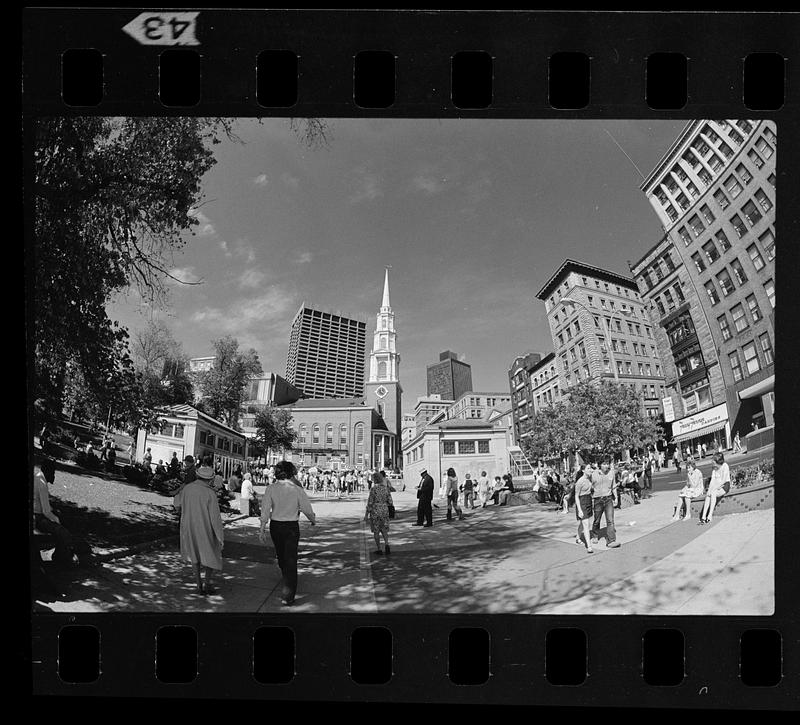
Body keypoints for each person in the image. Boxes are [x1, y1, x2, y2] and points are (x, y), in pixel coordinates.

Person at [259, 460, 316, 606]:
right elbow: (307, 508)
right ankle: (288, 593)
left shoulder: (271, 488)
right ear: (291, 473)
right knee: (290, 558)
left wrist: (262, 527)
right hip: (291, 526)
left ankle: (287, 581)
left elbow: (265, 509)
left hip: (276, 526)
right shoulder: (297, 490)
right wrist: (312, 519)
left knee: (282, 556)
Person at [173, 456, 225, 595]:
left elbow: (176, 504)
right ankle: (207, 583)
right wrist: (219, 536)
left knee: (194, 556)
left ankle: (198, 584)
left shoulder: (188, 489)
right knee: (209, 553)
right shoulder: (210, 493)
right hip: (205, 528)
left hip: (189, 526)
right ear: (210, 479)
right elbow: (215, 517)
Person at [33, 458, 94, 566]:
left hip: (36, 515)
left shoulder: (37, 477)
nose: (53, 475)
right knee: (63, 532)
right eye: (53, 472)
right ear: (48, 471)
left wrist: (55, 513)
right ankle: (62, 557)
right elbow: (46, 511)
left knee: (62, 522)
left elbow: (45, 506)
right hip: (38, 518)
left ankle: (62, 554)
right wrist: (57, 520)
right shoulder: (41, 482)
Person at [589, 459, 620, 548]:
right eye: (604, 464)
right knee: (597, 520)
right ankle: (595, 535)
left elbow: (613, 486)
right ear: (600, 465)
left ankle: (611, 540)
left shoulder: (611, 473)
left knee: (610, 520)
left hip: (608, 499)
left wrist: (616, 498)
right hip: (597, 500)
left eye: (607, 464)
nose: (606, 466)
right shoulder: (593, 474)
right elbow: (589, 485)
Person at [365, 471, 394, 555]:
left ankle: (379, 548)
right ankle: (387, 544)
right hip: (384, 510)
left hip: (375, 511)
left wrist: (366, 514)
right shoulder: (386, 488)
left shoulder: (373, 489)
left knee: (376, 530)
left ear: (374, 480)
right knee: (384, 529)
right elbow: (390, 501)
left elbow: (370, 502)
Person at [700, 453, 731, 524]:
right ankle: (703, 516)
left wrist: (714, 489)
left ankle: (710, 515)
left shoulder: (725, 466)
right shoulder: (714, 468)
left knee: (713, 493)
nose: (712, 463)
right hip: (716, 485)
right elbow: (712, 480)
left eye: (713, 461)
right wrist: (709, 489)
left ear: (717, 461)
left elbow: (723, 480)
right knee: (708, 495)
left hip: (725, 485)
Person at [574, 465, 594, 554]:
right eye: (588, 468)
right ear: (583, 470)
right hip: (581, 502)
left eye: (590, 468)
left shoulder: (590, 478)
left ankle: (578, 537)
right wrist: (579, 510)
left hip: (589, 500)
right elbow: (576, 496)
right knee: (586, 524)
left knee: (583, 523)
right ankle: (589, 546)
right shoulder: (580, 481)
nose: (590, 470)